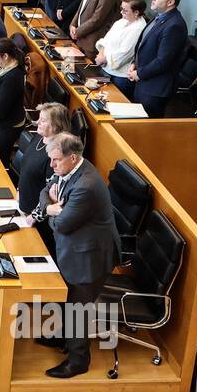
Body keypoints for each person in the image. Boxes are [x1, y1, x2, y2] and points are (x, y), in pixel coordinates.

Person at [38, 134, 119, 378]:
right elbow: (45, 191)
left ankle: (78, 361)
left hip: (90, 255)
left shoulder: (86, 185)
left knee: (78, 306)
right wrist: (50, 207)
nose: (52, 165)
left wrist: (51, 213)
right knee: (70, 298)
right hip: (75, 245)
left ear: (73, 158)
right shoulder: (68, 169)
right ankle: (62, 337)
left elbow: (62, 225)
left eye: (56, 160)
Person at [15, 102, 71, 255]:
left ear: (56, 125)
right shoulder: (39, 138)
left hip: (39, 220)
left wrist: (35, 216)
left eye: (44, 120)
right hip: (23, 207)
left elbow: (51, 193)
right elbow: (26, 167)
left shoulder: (57, 153)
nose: (38, 122)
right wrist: (19, 188)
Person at [128, 0, 188, 117]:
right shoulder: (159, 16)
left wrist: (139, 74)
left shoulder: (175, 25)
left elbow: (163, 61)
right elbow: (142, 44)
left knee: (145, 129)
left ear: (170, 2)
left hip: (155, 89)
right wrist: (133, 63)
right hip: (143, 82)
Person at [95, 0, 148, 96]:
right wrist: (101, 53)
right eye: (121, 8)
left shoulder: (138, 28)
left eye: (125, 10)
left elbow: (124, 54)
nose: (121, 12)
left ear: (136, 12)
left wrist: (104, 59)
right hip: (105, 68)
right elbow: (106, 40)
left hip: (120, 77)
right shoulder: (122, 21)